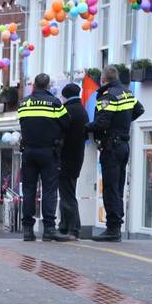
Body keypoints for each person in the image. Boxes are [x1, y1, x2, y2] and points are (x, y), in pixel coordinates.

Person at [88, 65, 143, 242]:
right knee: (118, 186)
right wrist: (123, 122)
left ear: (103, 79)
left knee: (110, 188)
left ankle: (113, 228)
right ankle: (116, 225)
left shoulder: (108, 96)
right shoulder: (127, 93)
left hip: (111, 146)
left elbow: (102, 123)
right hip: (123, 145)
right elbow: (139, 110)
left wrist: (84, 128)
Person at [17, 73, 72, 242]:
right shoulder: (54, 103)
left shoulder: (24, 103)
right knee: (49, 190)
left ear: (34, 85)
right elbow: (67, 122)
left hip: (28, 152)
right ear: (48, 86)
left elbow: (23, 122)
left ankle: (28, 230)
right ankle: (49, 229)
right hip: (48, 152)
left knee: (29, 191)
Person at [58, 83, 89, 238]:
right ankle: (64, 225)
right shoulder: (83, 111)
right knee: (67, 191)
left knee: (67, 194)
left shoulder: (66, 111)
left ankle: (73, 228)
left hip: (65, 158)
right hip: (77, 158)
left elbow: (59, 133)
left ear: (65, 96)